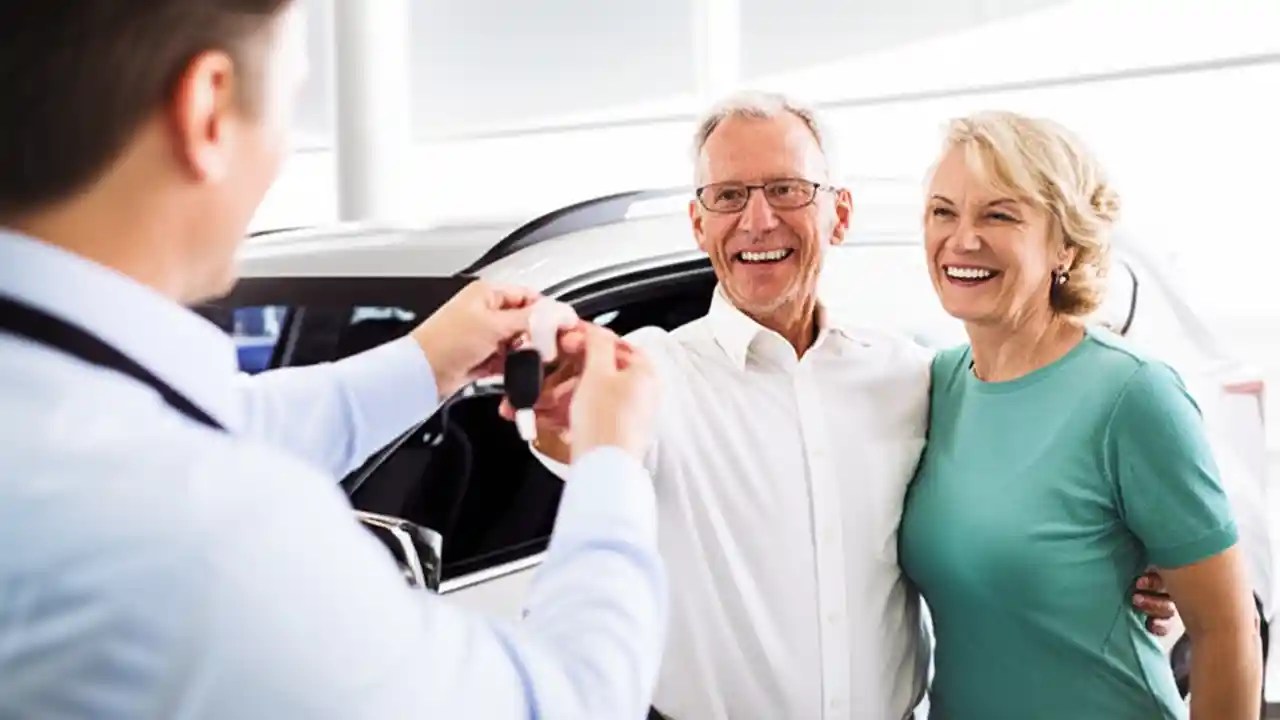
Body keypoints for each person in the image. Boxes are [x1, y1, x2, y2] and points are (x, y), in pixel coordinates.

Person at [0, 2, 667, 718]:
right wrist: (609, 460)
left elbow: (207, 424)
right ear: (208, 109)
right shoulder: (219, 542)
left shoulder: (60, 419)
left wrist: (425, 363)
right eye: (292, 99)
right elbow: (572, 703)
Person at [510, 91, 1176, 719]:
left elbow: (1022, 480)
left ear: (841, 215)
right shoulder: (648, 373)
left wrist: (1120, 560)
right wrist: (557, 414)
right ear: (699, 223)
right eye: (729, 195)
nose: (757, 220)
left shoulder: (910, 375)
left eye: (787, 190)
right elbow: (578, 436)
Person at [897, 111, 1261, 718]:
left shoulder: (1132, 394)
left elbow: (1228, 631)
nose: (962, 239)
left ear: (1065, 244)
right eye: (943, 211)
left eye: (999, 215)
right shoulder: (936, 386)